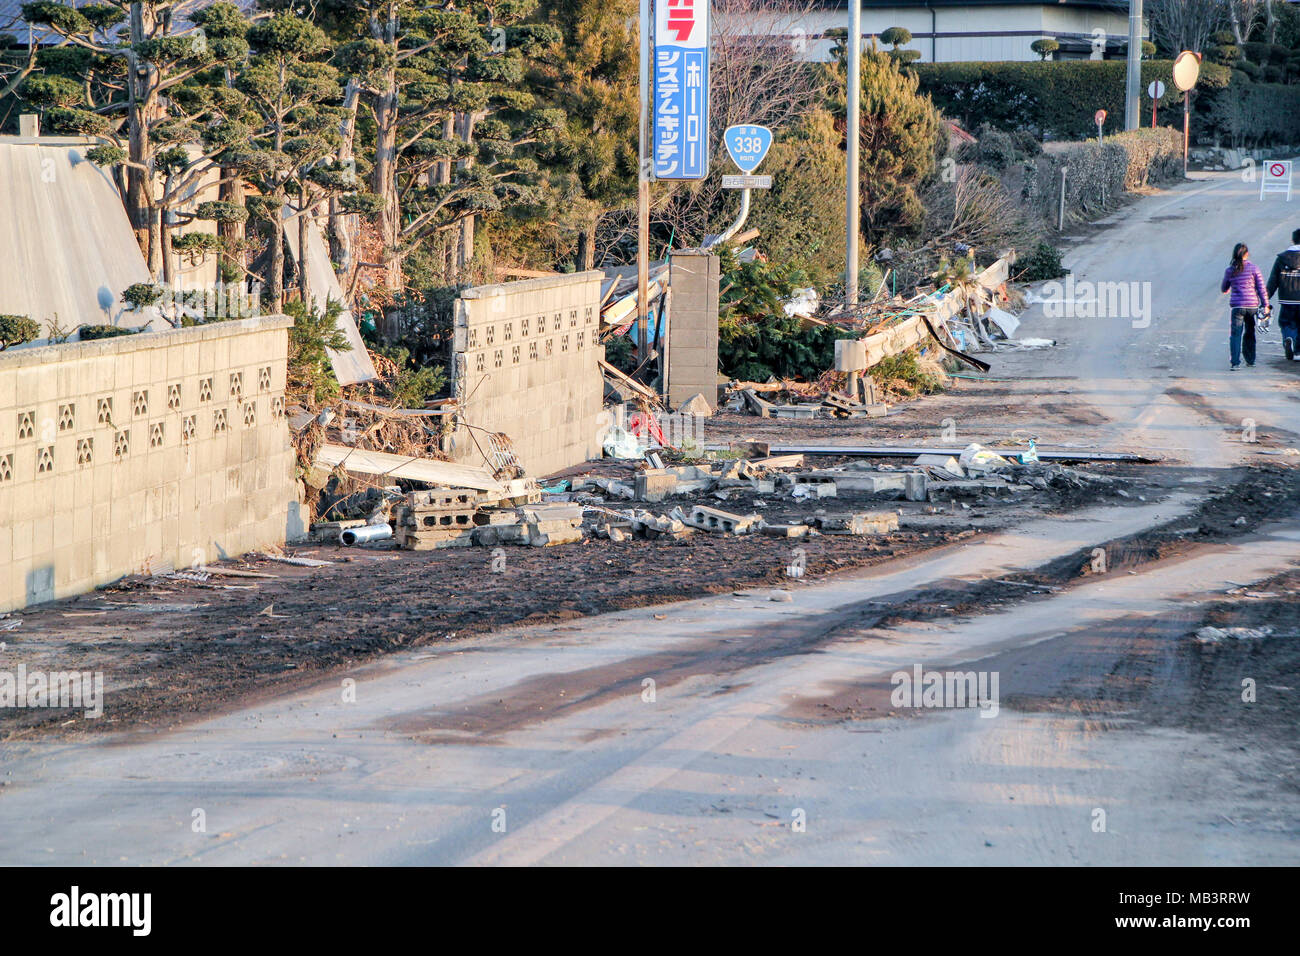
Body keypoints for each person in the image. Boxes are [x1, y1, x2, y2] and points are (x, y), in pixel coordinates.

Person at [1220, 242, 1268, 370]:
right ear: (1247, 254)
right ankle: (1250, 360)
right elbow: (1261, 288)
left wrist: (1229, 288)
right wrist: (1266, 304)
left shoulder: (1230, 270)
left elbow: (1224, 288)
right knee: (1250, 332)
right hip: (1252, 306)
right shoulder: (1254, 268)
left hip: (1237, 307)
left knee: (1236, 335)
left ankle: (1235, 363)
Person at [1266, 228, 1300, 361]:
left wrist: (1265, 299)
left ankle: (1288, 338)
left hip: (1287, 299)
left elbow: (1273, 280)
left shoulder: (1282, 259)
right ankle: (1298, 352)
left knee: (1286, 322)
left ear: (1292, 240)